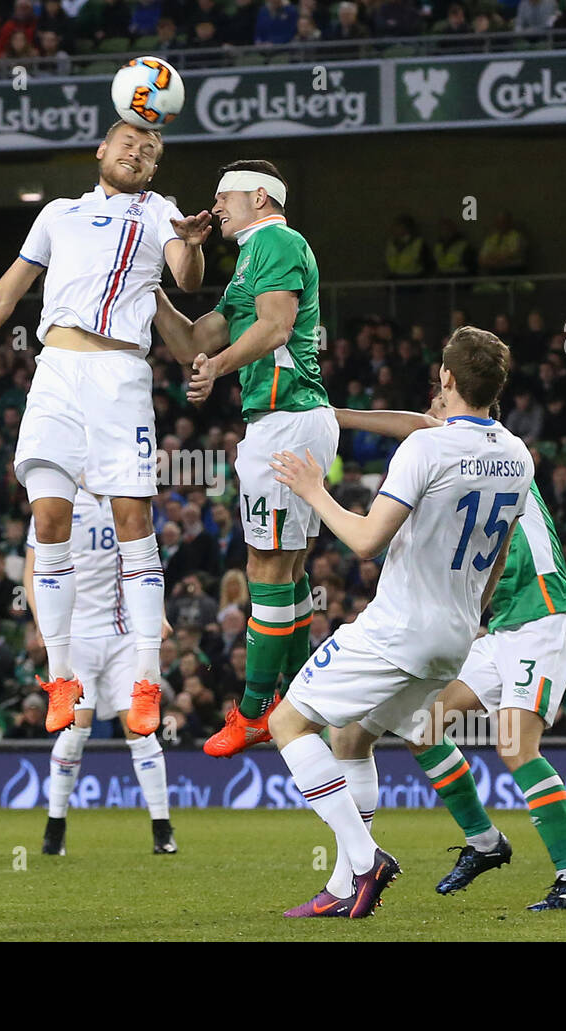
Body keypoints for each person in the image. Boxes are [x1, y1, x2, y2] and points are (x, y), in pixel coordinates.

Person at [0, 121, 210, 741]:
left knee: (133, 520)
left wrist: (189, 243)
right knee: (49, 520)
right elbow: (2, 298)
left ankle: (146, 682)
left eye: (149, 149)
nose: (137, 151)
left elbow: (185, 277)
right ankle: (62, 677)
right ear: (101, 150)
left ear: (154, 168)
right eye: (127, 142)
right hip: (55, 372)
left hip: (120, 373)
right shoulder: (56, 215)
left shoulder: (159, 211)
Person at [266, 326, 531, 918]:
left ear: (447, 379)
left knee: (285, 721)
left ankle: (366, 860)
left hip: (401, 628)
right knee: (352, 737)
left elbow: (365, 540)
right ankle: (342, 889)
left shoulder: (426, 449)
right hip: (459, 636)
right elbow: (499, 560)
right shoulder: (518, 456)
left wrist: (313, 488)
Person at [330, 396, 566, 911]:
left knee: (516, 746)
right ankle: (485, 842)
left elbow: (417, 425)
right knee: (421, 728)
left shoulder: (496, 452)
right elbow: (419, 427)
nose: (434, 413)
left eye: (439, 400)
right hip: (502, 625)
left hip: (544, 615)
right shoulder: (470, 453)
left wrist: (336, 417)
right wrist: (338, 416)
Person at [153, 159, 337, 757]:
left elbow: (277, 327)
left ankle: (256, 710)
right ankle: (299, 695)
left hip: (287, 421)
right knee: (288, 571)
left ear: (259, 197)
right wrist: (145, 284)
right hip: (287, 423)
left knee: (266, 570)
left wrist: (219, 368)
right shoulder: (249, 263)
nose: (216, 206)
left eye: (223, 196)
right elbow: (192, 342)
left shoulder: (278, 239)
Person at [27, 489, 176, 855]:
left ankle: (162, 829)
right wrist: (43, 625)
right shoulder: (57, 497)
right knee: (77, 729)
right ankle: (55, 827)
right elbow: (35, 568)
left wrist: (158, 616)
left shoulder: (123, 494)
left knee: (141, 730)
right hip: (76, 636)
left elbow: (144, 560)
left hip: (123, 634)